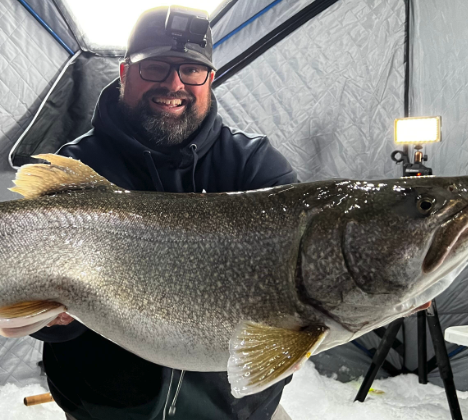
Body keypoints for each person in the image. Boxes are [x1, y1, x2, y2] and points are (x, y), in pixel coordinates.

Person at [31, 6, 298, 420]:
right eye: (155, 67)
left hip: (231, 410)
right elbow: (32, 299)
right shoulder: (78, 166)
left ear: (211, 79)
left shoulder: (255, 165)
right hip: (107, 408)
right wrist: (52, 319)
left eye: (192, 70)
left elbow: (301, 274)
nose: (174, 84)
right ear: (124, 74)